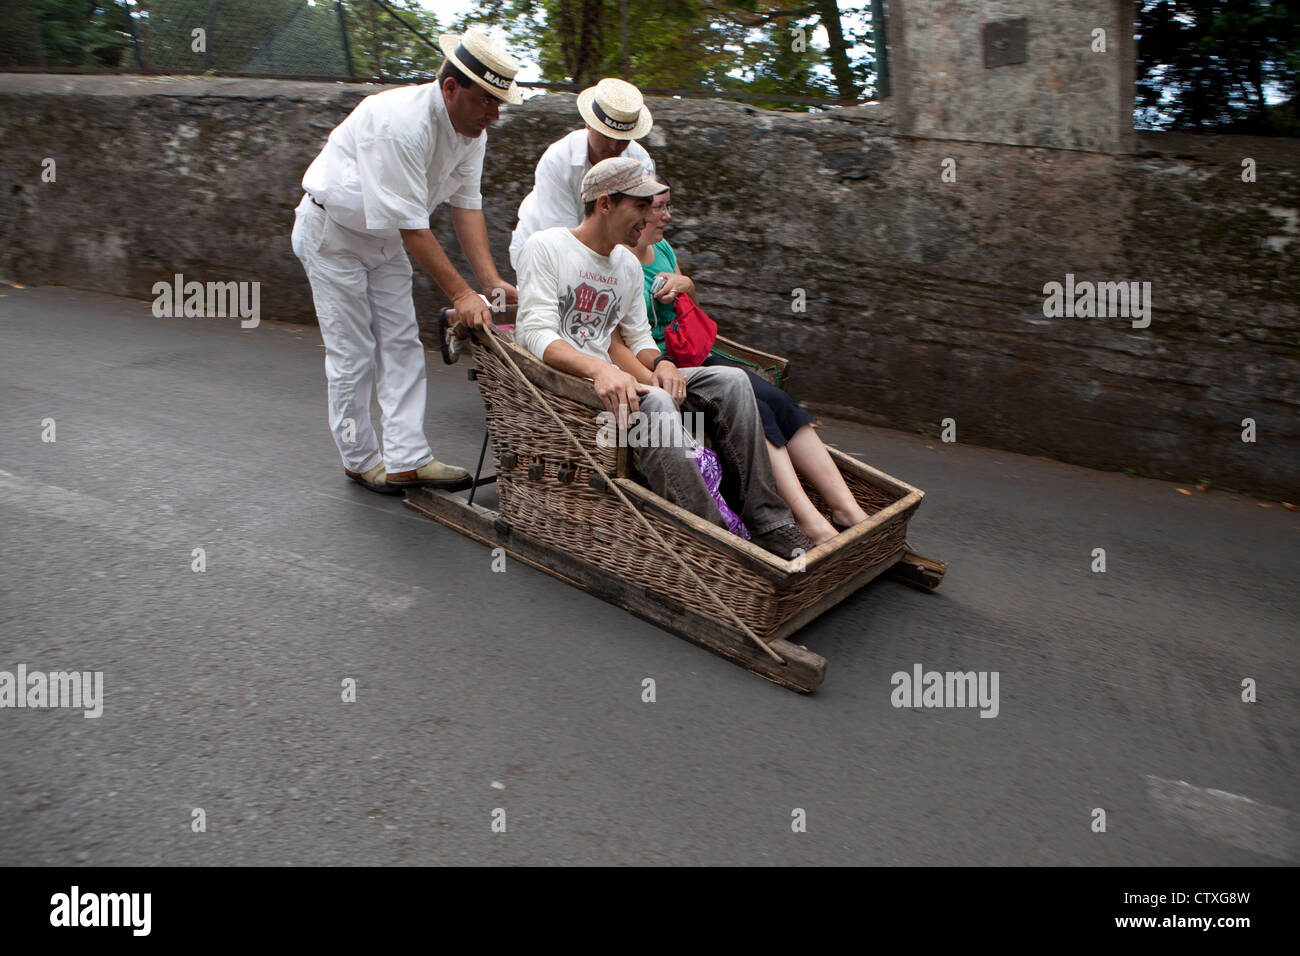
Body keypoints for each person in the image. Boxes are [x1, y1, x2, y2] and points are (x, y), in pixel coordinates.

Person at [514, 158, 814, 561]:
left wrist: (662, 364)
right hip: (567, 384)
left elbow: (637, 336)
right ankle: (712, 542)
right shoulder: (547, 247)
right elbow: (534, 333)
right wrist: (600, 368)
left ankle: (770, 522)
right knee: (654, 402)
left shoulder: (625, 265)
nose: (650, 216)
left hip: (618, 382)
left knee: (731, 381)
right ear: (605, 203)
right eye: (640, 206)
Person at [292, 29, 521, 495]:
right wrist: (460, 294)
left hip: (385, 238)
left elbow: (466, 206)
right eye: (486, 102)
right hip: (333, 234)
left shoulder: (470, 130)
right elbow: (414, 228)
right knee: (354, 353)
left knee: (401, 343)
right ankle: (360, 460)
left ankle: (407, 459)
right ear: (451, 88)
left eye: (499, 104)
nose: (493, 116)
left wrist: (490, 282)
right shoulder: (399, 124)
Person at [610, 183, 870, 545]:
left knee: (780, 403)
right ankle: (808, 521)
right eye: (656, 208)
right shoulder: (616, 261)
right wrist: (657, 369)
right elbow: (620, 340)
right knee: (757, 408)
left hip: (694, 354)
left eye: (668, 206)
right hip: (659, 363)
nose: (665, 216)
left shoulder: (663, 249)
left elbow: (695, 309)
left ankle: (848, 510)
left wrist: (686, 284)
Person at [507, 77, 656, 269]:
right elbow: (563, 240)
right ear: (588, 124)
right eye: (607, 135)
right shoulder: (558, 159)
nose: (614, 146)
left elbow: (637, 226)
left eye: (623, 138)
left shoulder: (640, 161)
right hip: (542, 254)